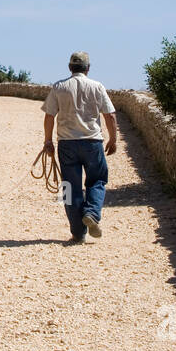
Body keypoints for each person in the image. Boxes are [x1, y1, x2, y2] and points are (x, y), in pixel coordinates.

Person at [42, 51, 117, 243]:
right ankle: (91, 212)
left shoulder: (59, 87)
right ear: (88, 68)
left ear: (70, 68)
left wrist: (48, 141)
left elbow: (49, 116)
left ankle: (77, 232)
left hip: (67, 144)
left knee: (69, 187)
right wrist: (113, 139)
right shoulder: (97, 86)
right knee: (97, 180)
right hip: (92, 142)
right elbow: (110, 115)